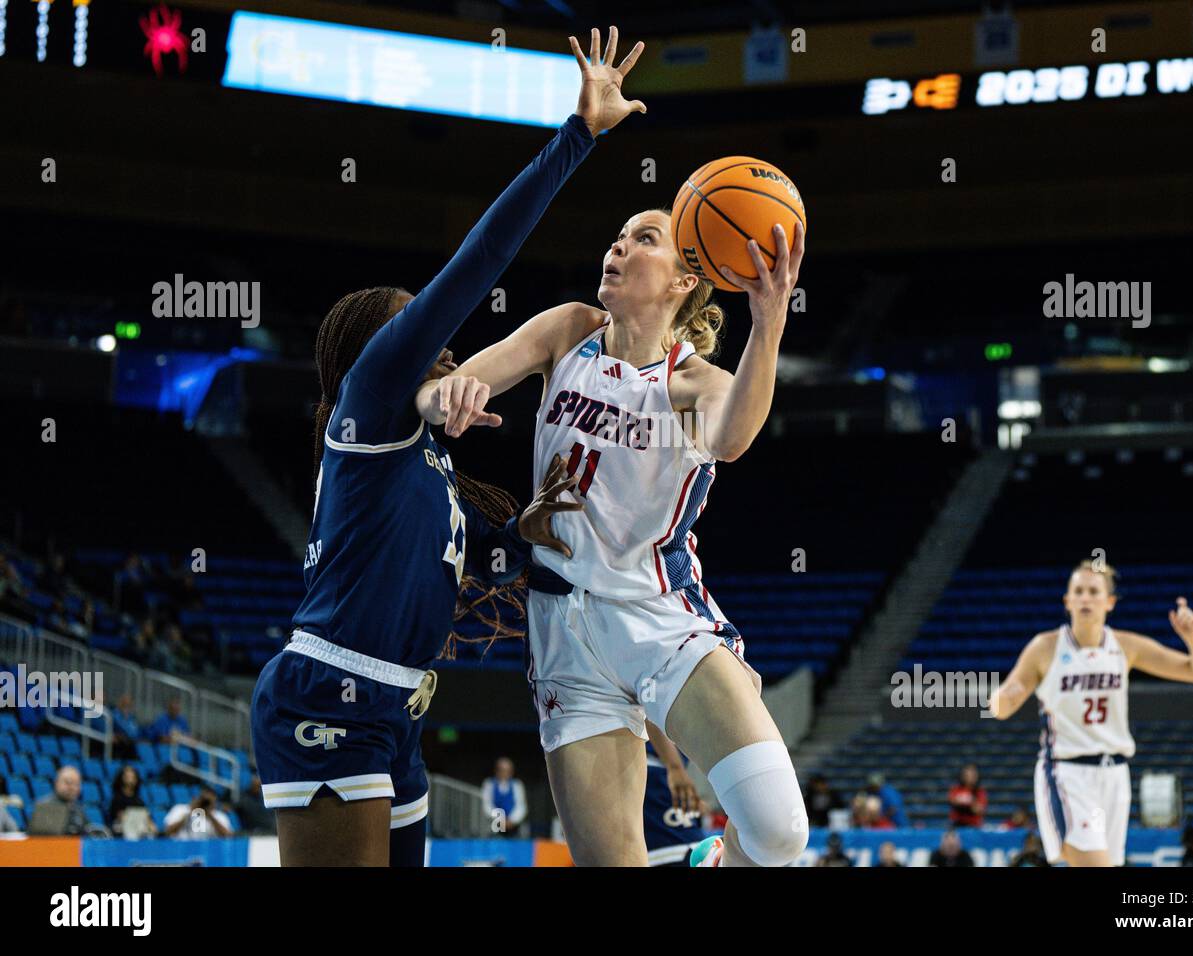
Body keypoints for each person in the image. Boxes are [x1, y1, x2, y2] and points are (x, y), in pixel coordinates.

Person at [249, 28, 646, 868]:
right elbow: (481, 260)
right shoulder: (371, 394)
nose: (442, 341)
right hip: (331, 696)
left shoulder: (423, 462)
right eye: (412, 324)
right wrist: (578, 138)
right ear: (378, 344)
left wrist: (527, 540)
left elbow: (478, 570)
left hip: (398, 711)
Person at [422, 168, 807, 868]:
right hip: (563, 628)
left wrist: (770, 320)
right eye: (618, 235)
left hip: (660, 618)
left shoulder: (692, 383)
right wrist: (448, 397)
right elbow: (451, 386)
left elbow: (731, 438)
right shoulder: (570, 331)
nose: (620, 246)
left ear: (683, 280)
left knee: (779, 832)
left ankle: (711, 860)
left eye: (644, 238)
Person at [989, 560, 1193, 867]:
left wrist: (1191, 637)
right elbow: (1003, 706)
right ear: (1067, 601)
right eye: (1078, 591)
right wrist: (1003, 697)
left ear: (1109, 602)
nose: (1085, 598)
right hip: (1067, 772)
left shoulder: (1125, 646)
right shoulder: (1045, 648)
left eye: (1093, 591)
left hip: (1114, 775)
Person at [643, 723, 705, 866]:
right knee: (681, 853)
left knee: (695, 852)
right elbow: (646, 709)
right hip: (653, 774)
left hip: (660, 775)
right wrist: (675, 767)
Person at [28, 766, 89, 836]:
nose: (72, 788)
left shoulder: (79, 810)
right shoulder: (44, 807)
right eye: (68, 783)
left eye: (76, 784)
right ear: (57, 783)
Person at [481, 757, 528, 838]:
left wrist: (512, 820)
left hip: (513, 827)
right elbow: (487, 805)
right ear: (496, 771)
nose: (505, 773)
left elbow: (521, 806)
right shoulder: (489, 784)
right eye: (502, 770)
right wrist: (499, 819)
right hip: (494, 825)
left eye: (507, 771)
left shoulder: (517, 785)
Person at [163, 786, 232, 840]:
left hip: (209, 851)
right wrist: (190, 812)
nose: (205, 803)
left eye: (208, 802)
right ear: (197, 797)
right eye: (203, 799)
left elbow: (227, 836)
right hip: (182, 849)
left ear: (215, 801)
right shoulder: (180, 809)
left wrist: (210, 815)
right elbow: (168, 832)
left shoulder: (219, 816)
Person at [107, 765, 156, 838]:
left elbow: (147, 817)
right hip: (122, 831)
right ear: (122, 778)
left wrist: (152, 827)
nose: (131, 780)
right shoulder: (117, 799)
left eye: (133, 777)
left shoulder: (139, 801)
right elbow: (120, 817)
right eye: (128, 777)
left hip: (139, 830)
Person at [948, 763, 987, 828]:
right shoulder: (956, 789)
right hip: (957, 825)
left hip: (974, 826)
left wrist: (966, 802)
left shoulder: (980, 791)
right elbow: (952, 801)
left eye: (972, 775)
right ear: (962, 775)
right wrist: (970, 803)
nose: (969, 777)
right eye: (967, 775)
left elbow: (978, 810)